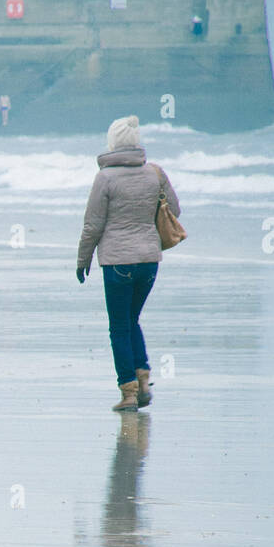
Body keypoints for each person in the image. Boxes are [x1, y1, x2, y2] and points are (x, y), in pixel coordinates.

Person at [76, 114, 181, 411]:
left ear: (112, 143)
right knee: (132, 320)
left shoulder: (105, 178)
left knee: (119, 326)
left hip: (118, 262)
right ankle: (144, 381)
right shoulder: (154, 173)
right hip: (149, 261)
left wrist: (83, 259)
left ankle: (129, 392)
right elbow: (175, 209)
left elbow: (93, 225)